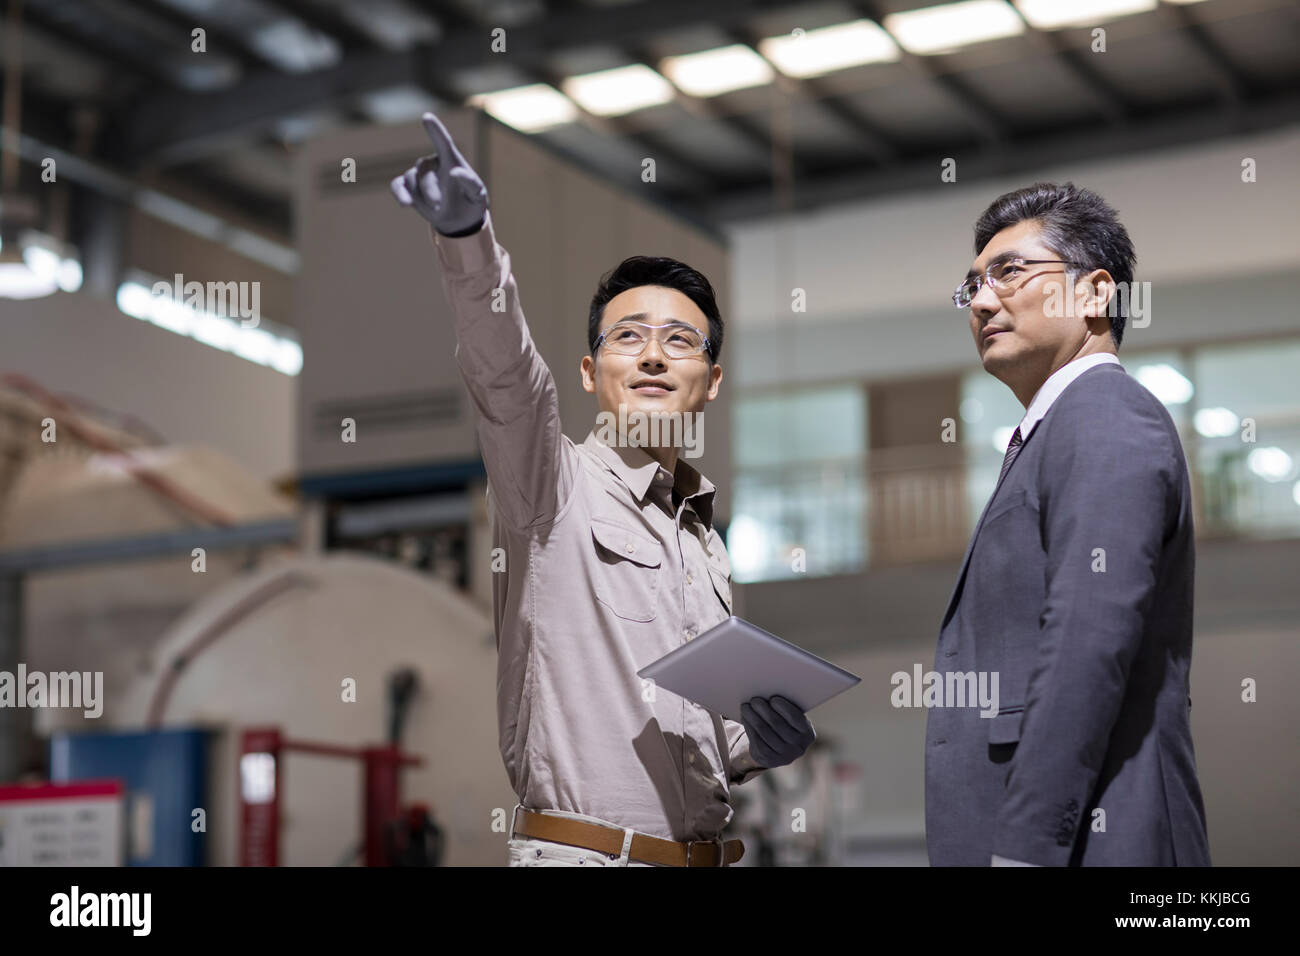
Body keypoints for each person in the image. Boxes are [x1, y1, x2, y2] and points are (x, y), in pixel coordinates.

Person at [391, 113, 815, 867]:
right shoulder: (549, 488)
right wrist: (468, 240)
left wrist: (760, 742)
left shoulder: (704, 543)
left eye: (679, 341)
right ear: (591, 374)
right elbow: (506, 374)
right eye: (627, 337)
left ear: (711, 382)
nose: (652, 355)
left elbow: (701, 733)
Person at [926, 182, 1211, 866]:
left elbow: (1088, 638)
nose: (985, 300)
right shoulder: (1052, 432)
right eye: (973, 287)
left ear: (1093, 294)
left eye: (1011, 272)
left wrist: (1027, 847)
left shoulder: (1104, 415)